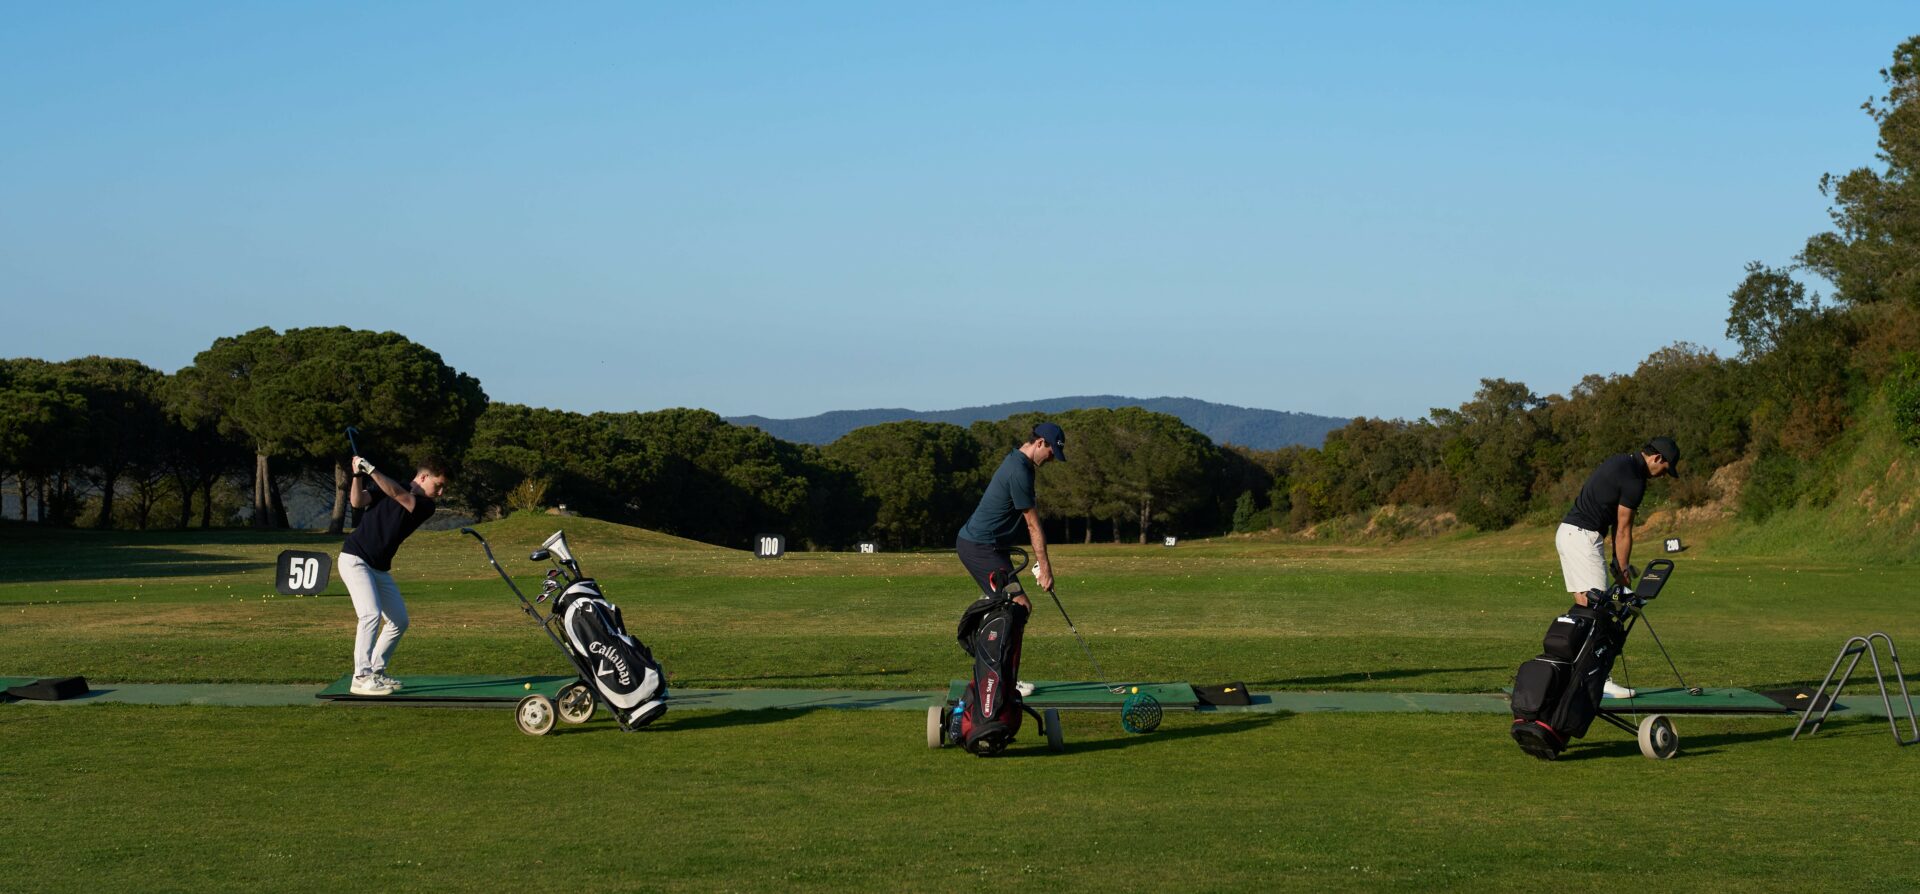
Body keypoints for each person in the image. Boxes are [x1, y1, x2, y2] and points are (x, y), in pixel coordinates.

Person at [1556, 436, 1679, 698]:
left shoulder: (1620, 461)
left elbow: (1612, 519)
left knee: (1584, 608)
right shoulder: (1635, 480)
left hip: (1568, 533)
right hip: (1584, 537)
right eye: (1665, 469)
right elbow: (1623, 530)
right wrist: (1623, 574)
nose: (1663, 475)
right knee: (1600, 610)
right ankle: (1601, 680)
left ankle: (1577, 674)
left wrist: (1616, 562)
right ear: (1657, 459)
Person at [956, 422, 1067, 695]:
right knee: (1019, 607)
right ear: (1040, 443)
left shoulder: (1020, 463)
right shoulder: (1019, 470)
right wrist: (1046, 569)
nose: (1052, 460)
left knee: (1010, 608)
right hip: (981, 548)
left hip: (989, 547)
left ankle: (996, 666)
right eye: (1052, 453)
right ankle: (1003, 679)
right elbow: (1033, 525)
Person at [337, 454, 449, 696]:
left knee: (399, 621)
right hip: (355, 558)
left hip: (378, 567)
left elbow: (400, 495)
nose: (440, 493)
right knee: (370, 614)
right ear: (423, 476)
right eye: (438, 485)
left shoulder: (425, 506)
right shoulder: (389, 486)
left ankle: (376, 672)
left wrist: (372, 470)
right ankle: (361, 676)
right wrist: (358, 474)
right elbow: (357, 501)